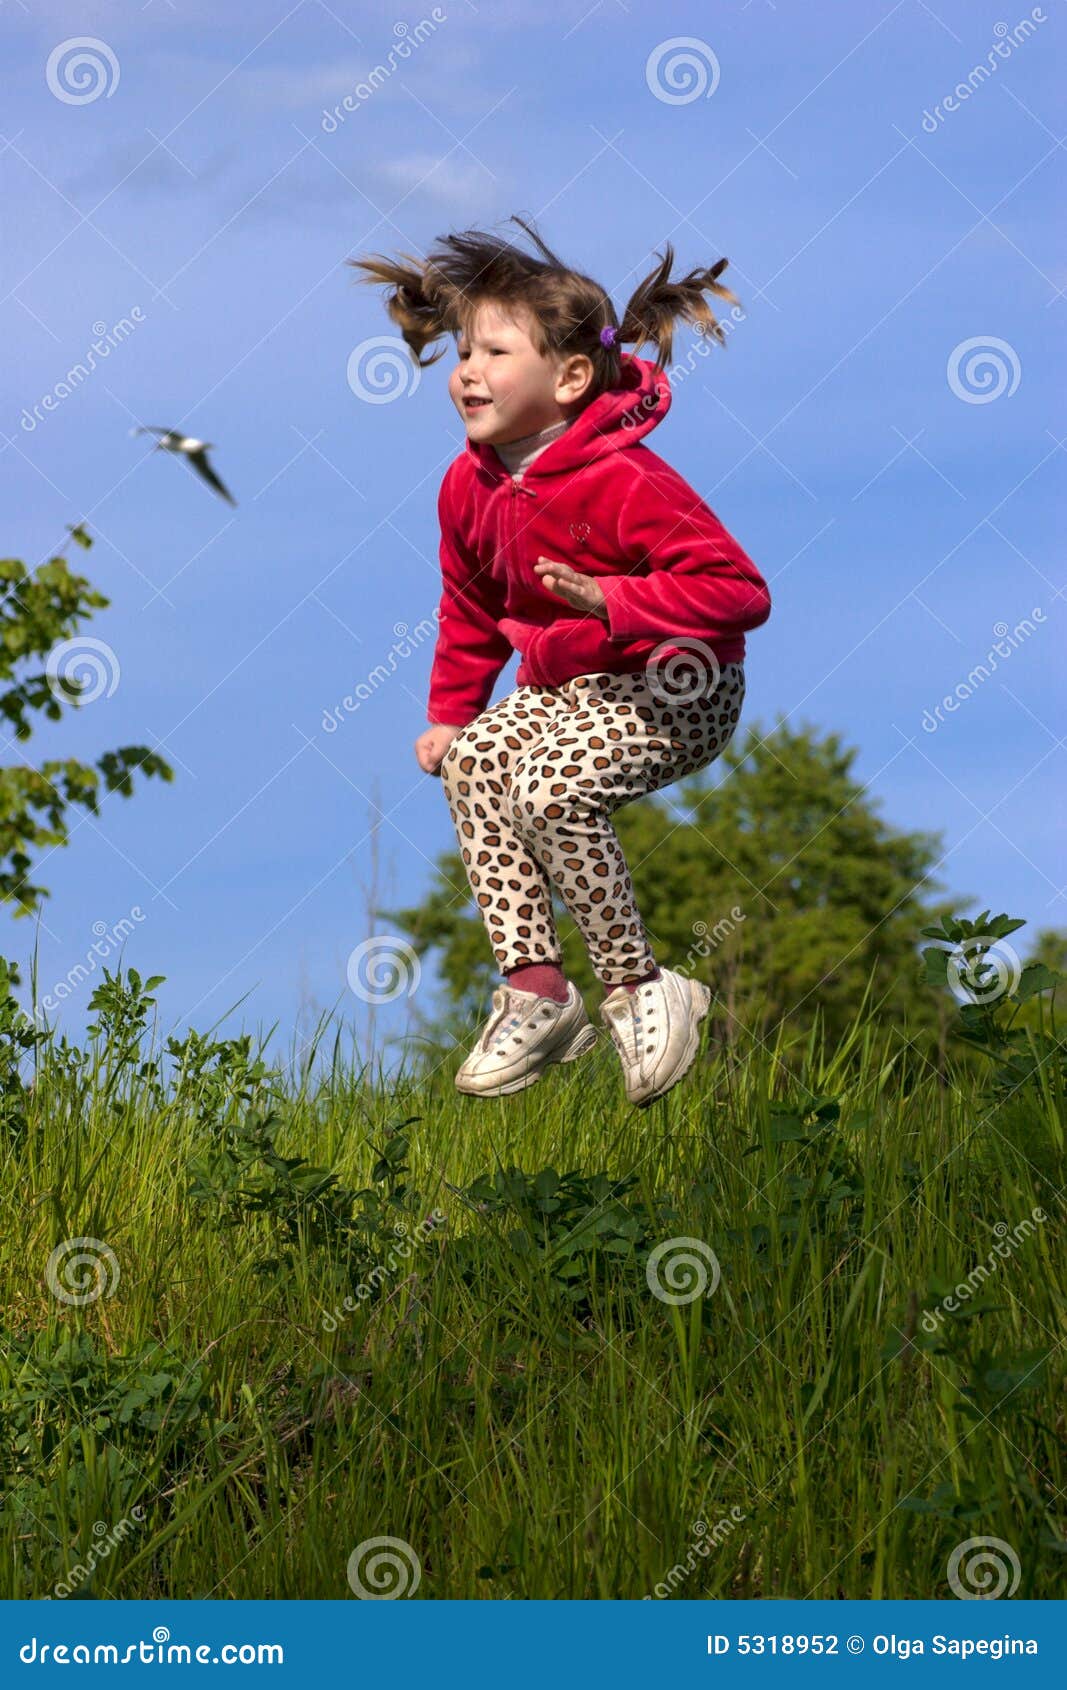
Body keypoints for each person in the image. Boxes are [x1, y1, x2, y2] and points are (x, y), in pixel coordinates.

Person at [350, 217, 771, 1106]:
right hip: (576, 689)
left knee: (548, 791)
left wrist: (616, 601)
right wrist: (450, 717)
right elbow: (469, 609)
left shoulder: (626, 480)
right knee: (474, 765)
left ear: (571, 377)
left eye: (495, 352)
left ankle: (640, 986)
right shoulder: (466, 486)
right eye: (464, 351)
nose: (467, 369)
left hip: (679, 685)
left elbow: (739, 591)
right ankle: (539, 993)